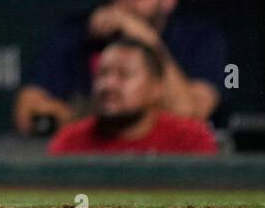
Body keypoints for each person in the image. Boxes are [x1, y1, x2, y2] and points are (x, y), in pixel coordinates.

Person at [15, 0, 228, 136]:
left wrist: (145, 37)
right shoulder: (77, 33)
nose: (126, 4)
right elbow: (28, 115)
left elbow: (191, 116)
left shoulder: (199, 38)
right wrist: (110, 114)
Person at [48, 37, 218, 155]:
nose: (109, 85)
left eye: (124, 75)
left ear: (156, 88)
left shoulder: (190, 139)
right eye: (102, 74)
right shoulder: (70, 141)